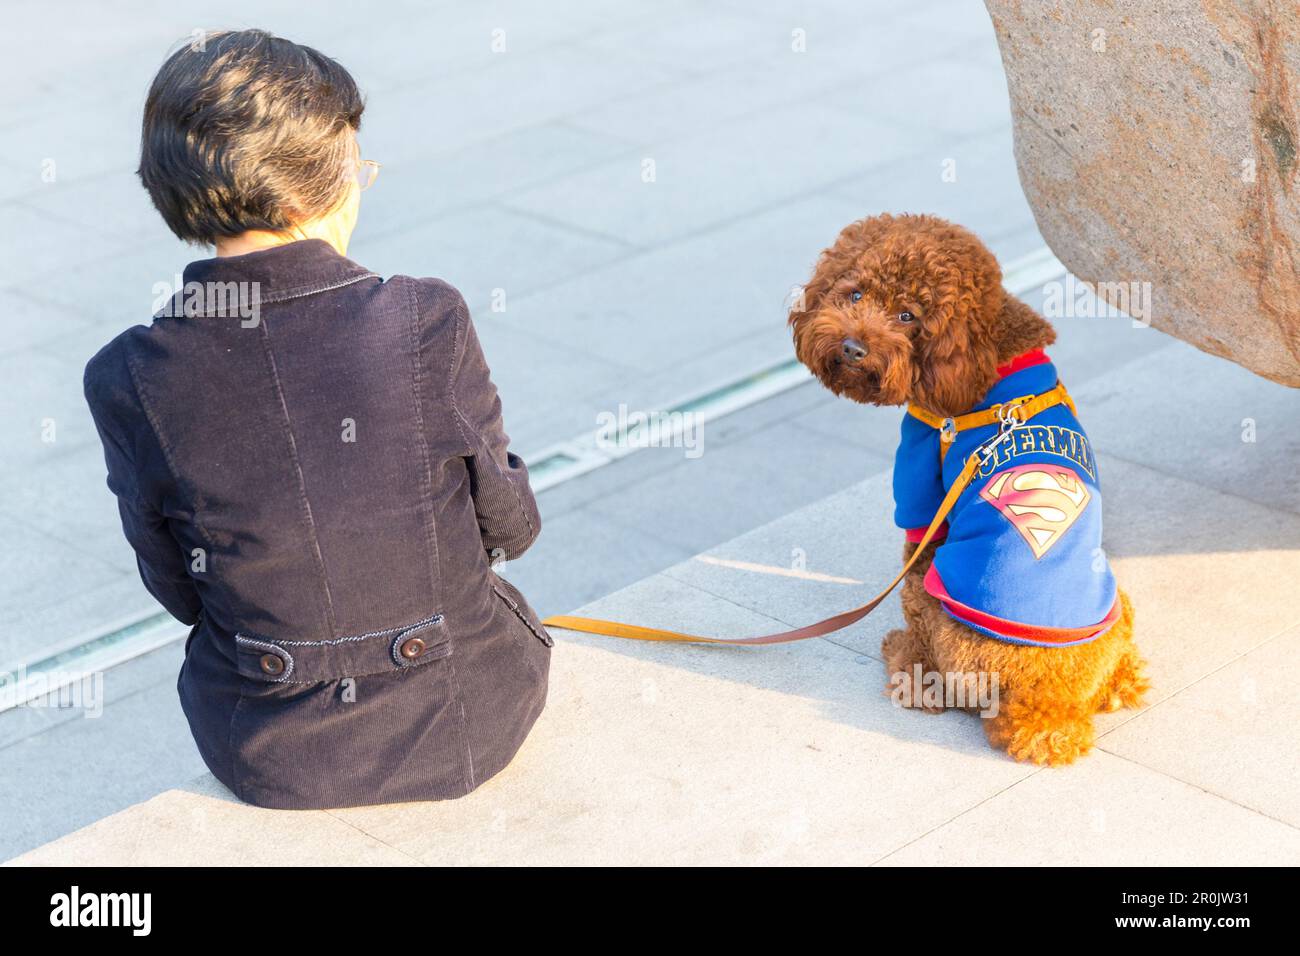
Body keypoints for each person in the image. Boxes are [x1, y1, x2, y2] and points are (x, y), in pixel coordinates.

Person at [83, 29, 550, 810]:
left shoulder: (126, 375)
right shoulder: (423, 317)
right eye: (357, 163)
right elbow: (512, 526)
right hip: (470, 715)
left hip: (268, 749)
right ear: (318, 186)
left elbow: (176, 584)